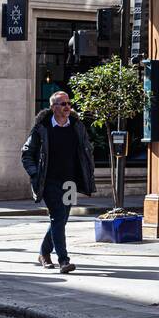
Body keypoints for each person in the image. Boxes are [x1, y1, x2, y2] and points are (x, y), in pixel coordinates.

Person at [21, 91, 96, 273]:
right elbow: (26, 153)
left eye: (69, 103)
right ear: (54, 107)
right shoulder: (42, 128)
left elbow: (86, 150)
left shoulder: (77, 126)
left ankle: (44, 253)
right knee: (57, 217)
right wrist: (35, 174)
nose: (68, 107)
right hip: (49, 181)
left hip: (70, 182)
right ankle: (63, 260)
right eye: (63, 104)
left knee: (62, 219)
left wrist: (88, 169)